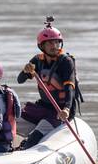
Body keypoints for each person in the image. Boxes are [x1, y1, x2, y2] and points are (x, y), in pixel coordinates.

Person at [16, 18, 81, 149]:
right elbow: (20, 80)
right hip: (44, 106)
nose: (54, 46)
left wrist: (66, 109)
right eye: (50, 43)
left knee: (33, 139)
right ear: (42, 46)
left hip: (60, 110)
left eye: (57, 42)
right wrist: (25, 70)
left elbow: (70, 88)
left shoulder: (66, 62)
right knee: (12, 121)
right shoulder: (37, 60)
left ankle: (27, 146)